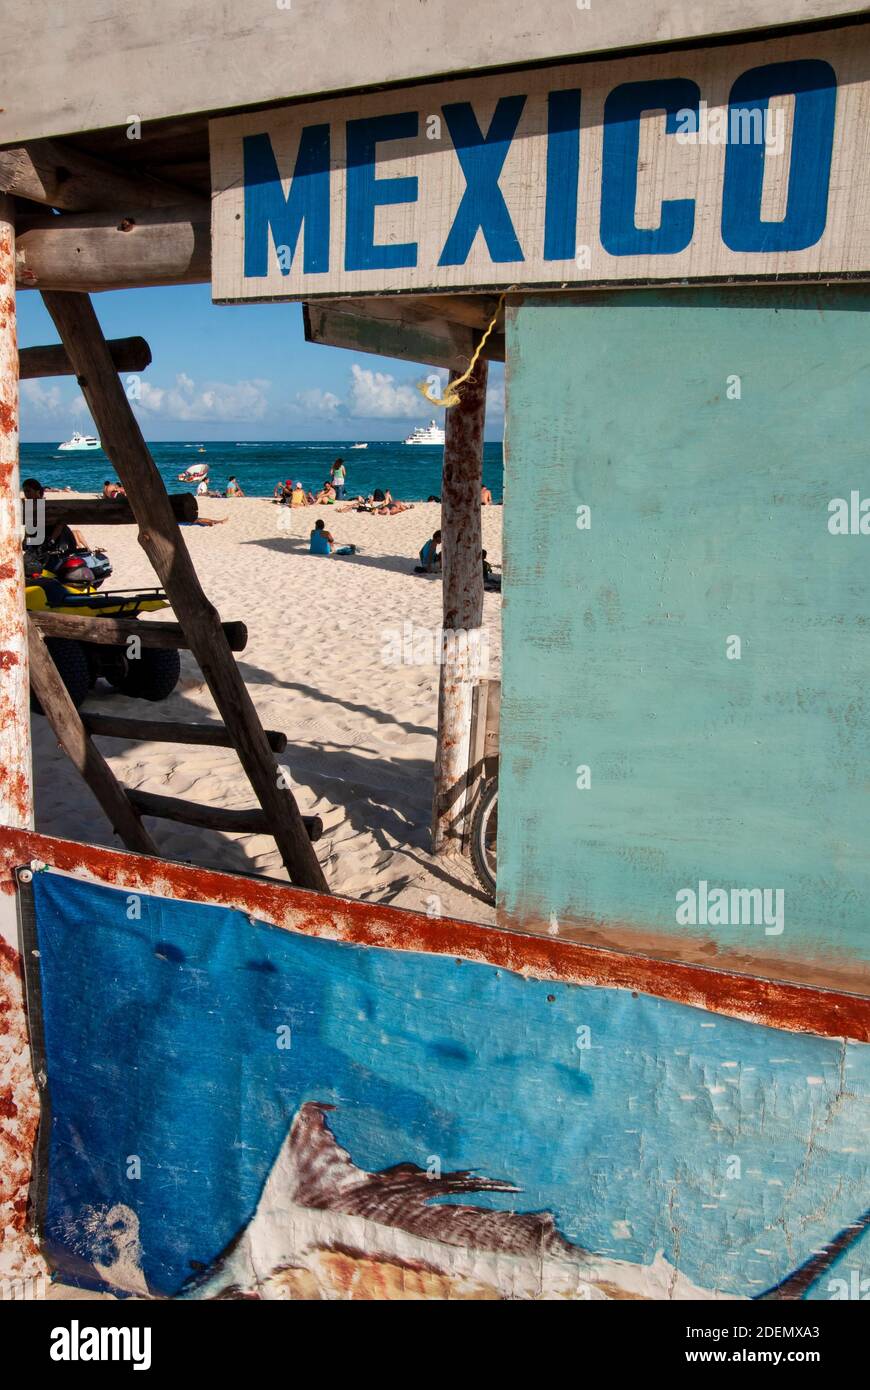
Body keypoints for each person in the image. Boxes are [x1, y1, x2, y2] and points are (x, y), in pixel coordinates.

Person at [21, 477, 86, 572]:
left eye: (28, 491)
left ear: (37, 491)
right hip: (42, 541)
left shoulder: (47, 506)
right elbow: (30, 526)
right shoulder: (30, 507)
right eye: (25, 491)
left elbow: (60, 524)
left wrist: (51, 540)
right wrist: (26, 539)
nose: (26, 494)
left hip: (58, 540)